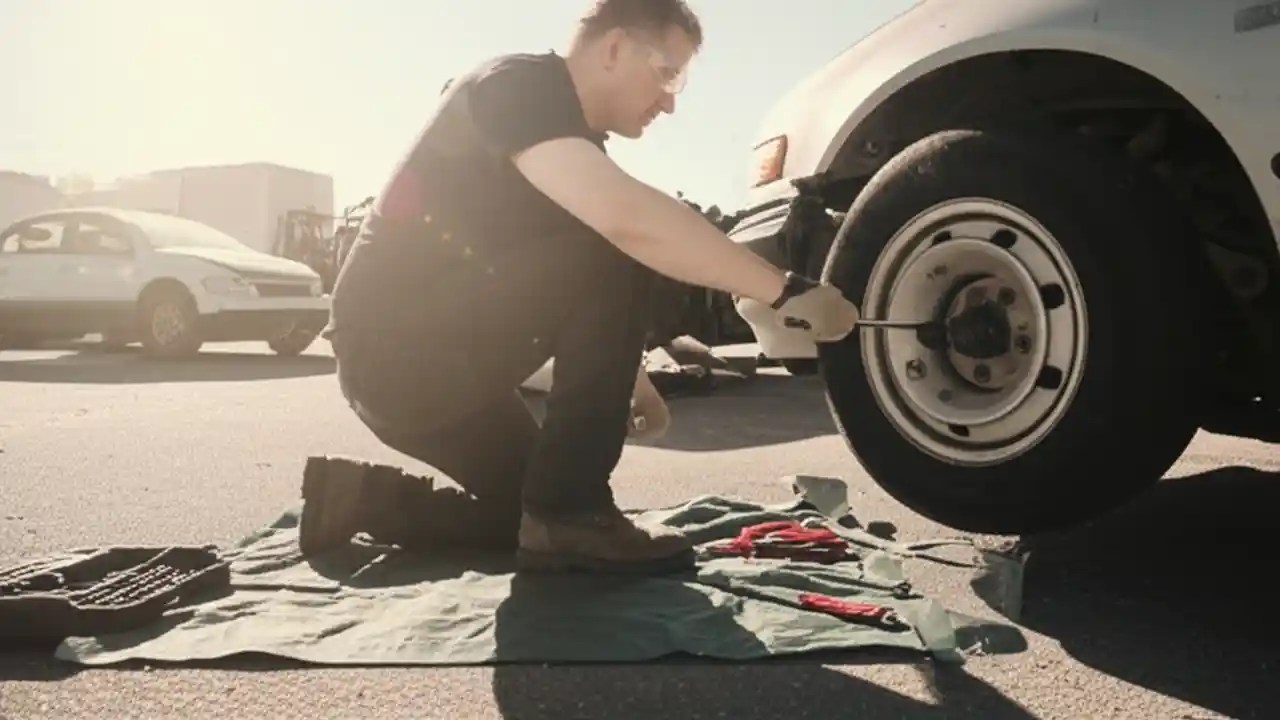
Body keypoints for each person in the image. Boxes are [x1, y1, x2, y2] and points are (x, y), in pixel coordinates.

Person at [301, 0, 860, 574]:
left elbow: (581, 287)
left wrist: (633, 386)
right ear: (613, 49)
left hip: (426, 370)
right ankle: (574, 514)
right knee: (558, 509)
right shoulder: (516, 85)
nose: (670, 100)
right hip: (395, 355)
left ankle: (354, 498)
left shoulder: (564, 148)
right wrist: (784, 289)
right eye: (669, 73)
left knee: (519, 519)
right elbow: (625, 224)